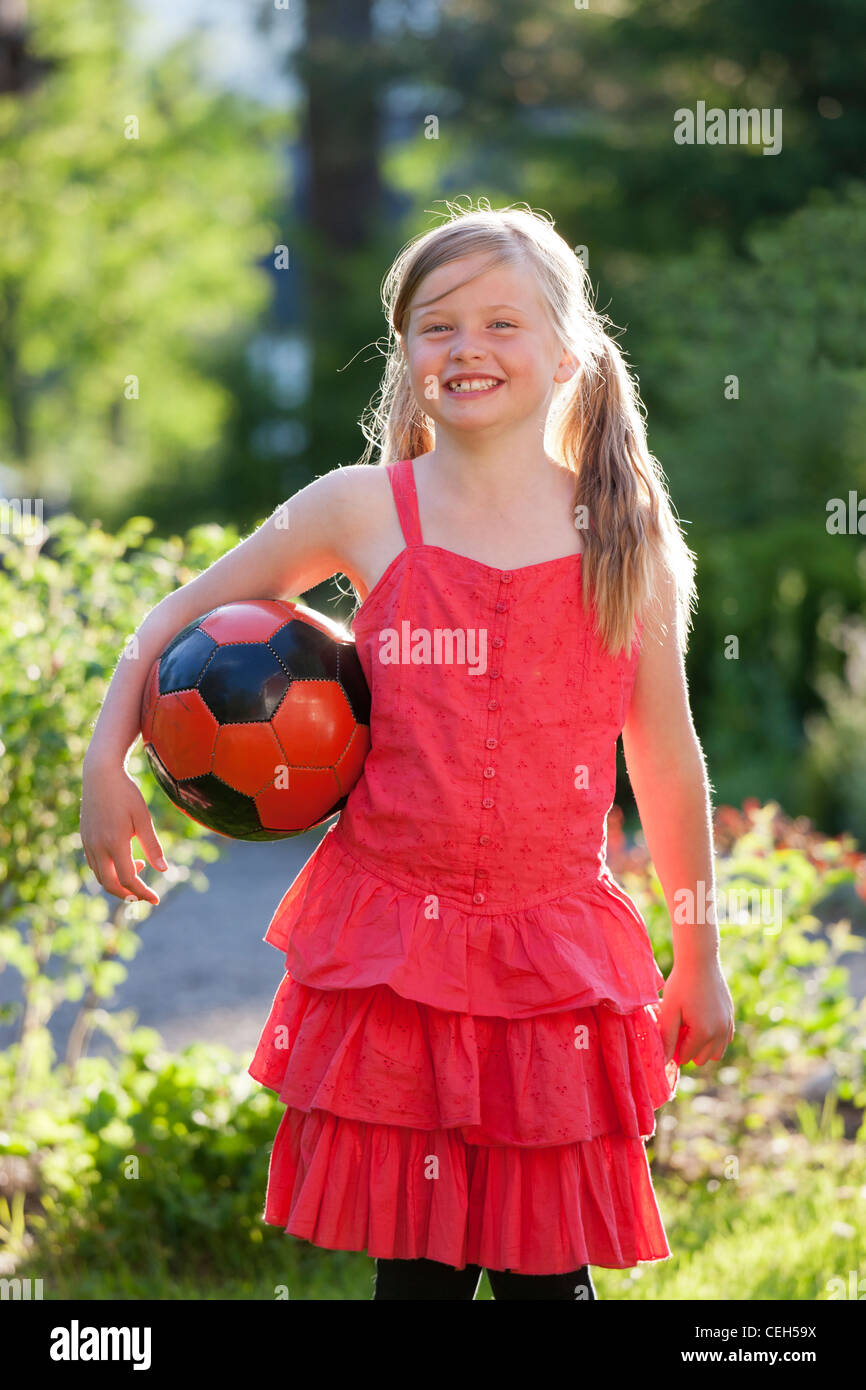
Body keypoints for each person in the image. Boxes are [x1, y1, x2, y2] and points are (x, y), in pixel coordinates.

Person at [80, 199, 734, 1301]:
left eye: (498, 323)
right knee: (416, 1278)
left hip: (552, 966)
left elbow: (665, 763)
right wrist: (106, 763)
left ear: (567, 353)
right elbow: (165, 627)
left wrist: (699, 954)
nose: (465, 348)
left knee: (547, 1279)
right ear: (403, 356)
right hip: (400, 956)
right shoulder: (361, 510)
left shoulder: (623, 540)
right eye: (435, 326)